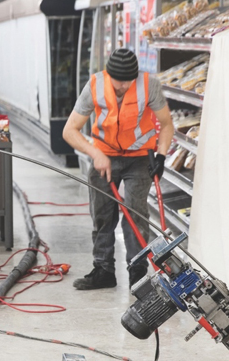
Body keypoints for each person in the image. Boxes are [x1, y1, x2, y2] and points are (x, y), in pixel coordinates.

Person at [62, 48, 175, 290]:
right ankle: (103, 270)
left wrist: (162, 155)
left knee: (135, 214)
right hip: (105, 155)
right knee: (103, 215)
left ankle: (138, 274)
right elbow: (69, 130)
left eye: (128, 80)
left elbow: (166, 125)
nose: (123, 85)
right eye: (118, 80)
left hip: (139, 158)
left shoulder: (148, 85)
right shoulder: (95, 85)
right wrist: (96, 153)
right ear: (108, 74)